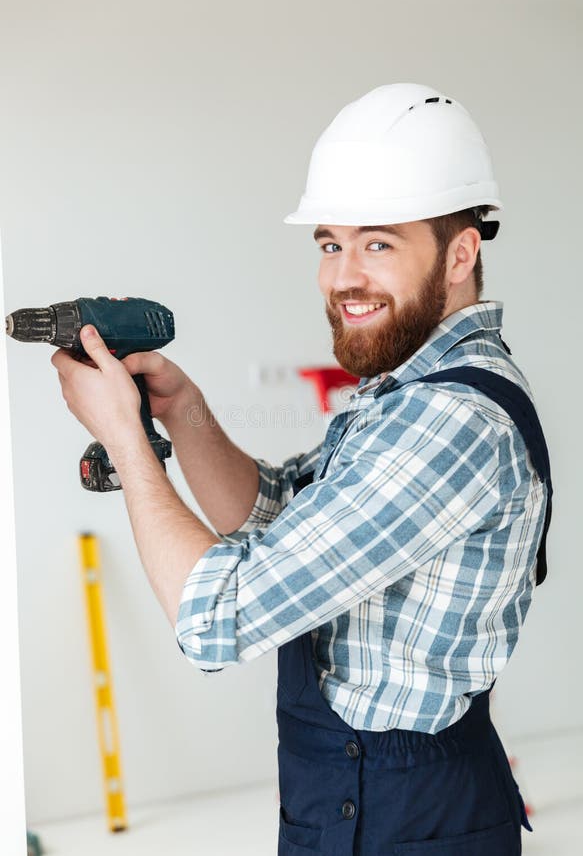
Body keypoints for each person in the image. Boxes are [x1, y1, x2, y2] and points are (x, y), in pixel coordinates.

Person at [52, 83, 551, 855]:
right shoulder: (408, 392)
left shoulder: (449, 422)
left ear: (460, 253)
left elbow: (217, 620)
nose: (343, 277)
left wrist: (124, 439)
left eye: (378, 244)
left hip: (406, 814)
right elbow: (280, 516)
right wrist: (182, 413)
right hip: (351, 797)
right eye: (330, 243)